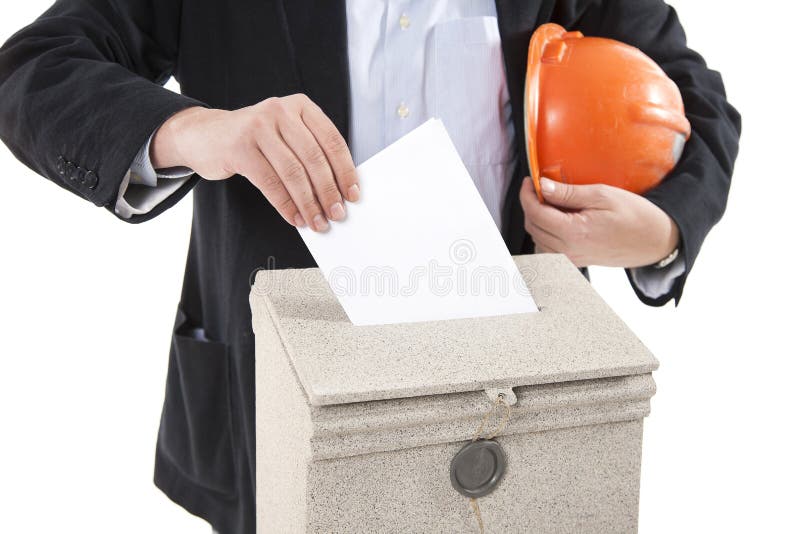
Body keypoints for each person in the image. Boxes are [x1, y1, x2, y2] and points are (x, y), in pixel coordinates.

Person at [0, 1, 740, 532]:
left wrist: (664, 228)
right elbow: (31, 70)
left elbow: (696, 100)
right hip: (282, 395)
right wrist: (197, 131)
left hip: (519, 398)